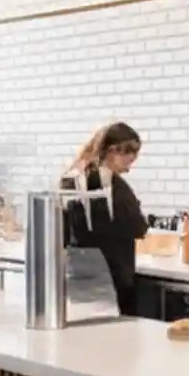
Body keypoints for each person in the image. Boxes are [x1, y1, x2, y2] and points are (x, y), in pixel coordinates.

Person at [61, 123, 149, 317]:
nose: (133, 159)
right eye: (130, 153)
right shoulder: (114, 187)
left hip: (77, 276)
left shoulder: (71, 179)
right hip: (114, 277)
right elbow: (138, 227)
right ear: (112, 150)